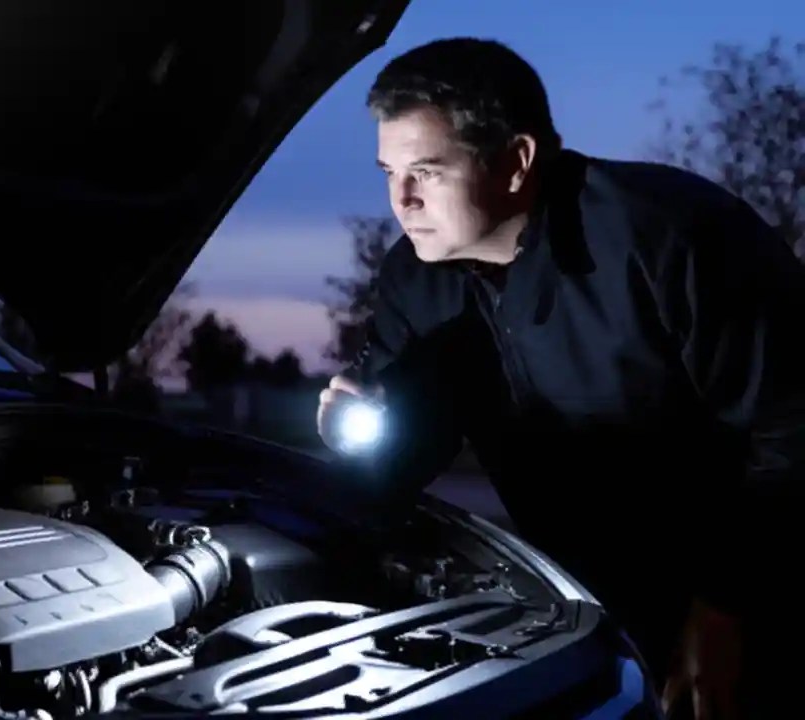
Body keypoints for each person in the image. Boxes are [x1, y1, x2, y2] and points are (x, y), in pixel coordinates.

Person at [316, 37, 804, 718]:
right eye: (388, 171)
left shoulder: (674, 236)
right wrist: (351, 425)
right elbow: (402, 445)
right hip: (578, 606)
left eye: (427, 170)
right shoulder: (412, 277)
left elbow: (791, 433)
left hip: (760, 599)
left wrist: (727, 607)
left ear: (516, 161)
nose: (401, 199)